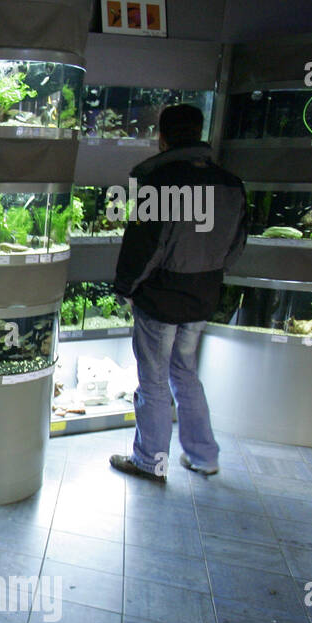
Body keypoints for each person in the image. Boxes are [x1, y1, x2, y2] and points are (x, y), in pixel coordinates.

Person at [109, 104, 249, 484]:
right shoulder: (231, 183)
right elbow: (236, 245)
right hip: (202, 295)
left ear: (163, 136)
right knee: (185, 374)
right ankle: (204, 457)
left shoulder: (159, 181)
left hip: (161, 298)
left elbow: (145, 246)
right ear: (199, 131)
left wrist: (125, 288)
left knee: (153, 380)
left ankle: (149, 462)